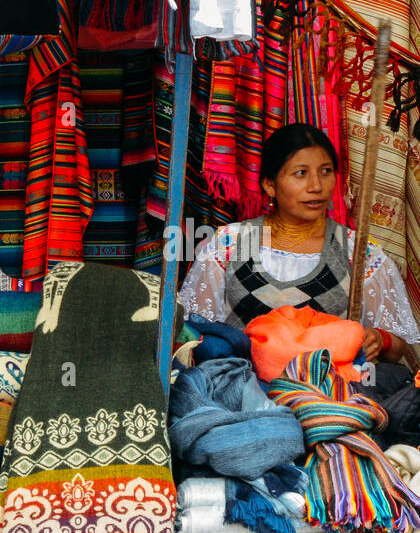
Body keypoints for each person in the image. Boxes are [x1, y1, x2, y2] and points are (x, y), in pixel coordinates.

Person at [179, 123, 420, 361]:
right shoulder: (228, 244)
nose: (316, 186)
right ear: (270, 184)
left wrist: (379, 339)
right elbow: (194, 332)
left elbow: (396, 347)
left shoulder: (359, 253)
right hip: (238, 390)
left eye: (325, 171)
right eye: (301, 173)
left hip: (327, 393)